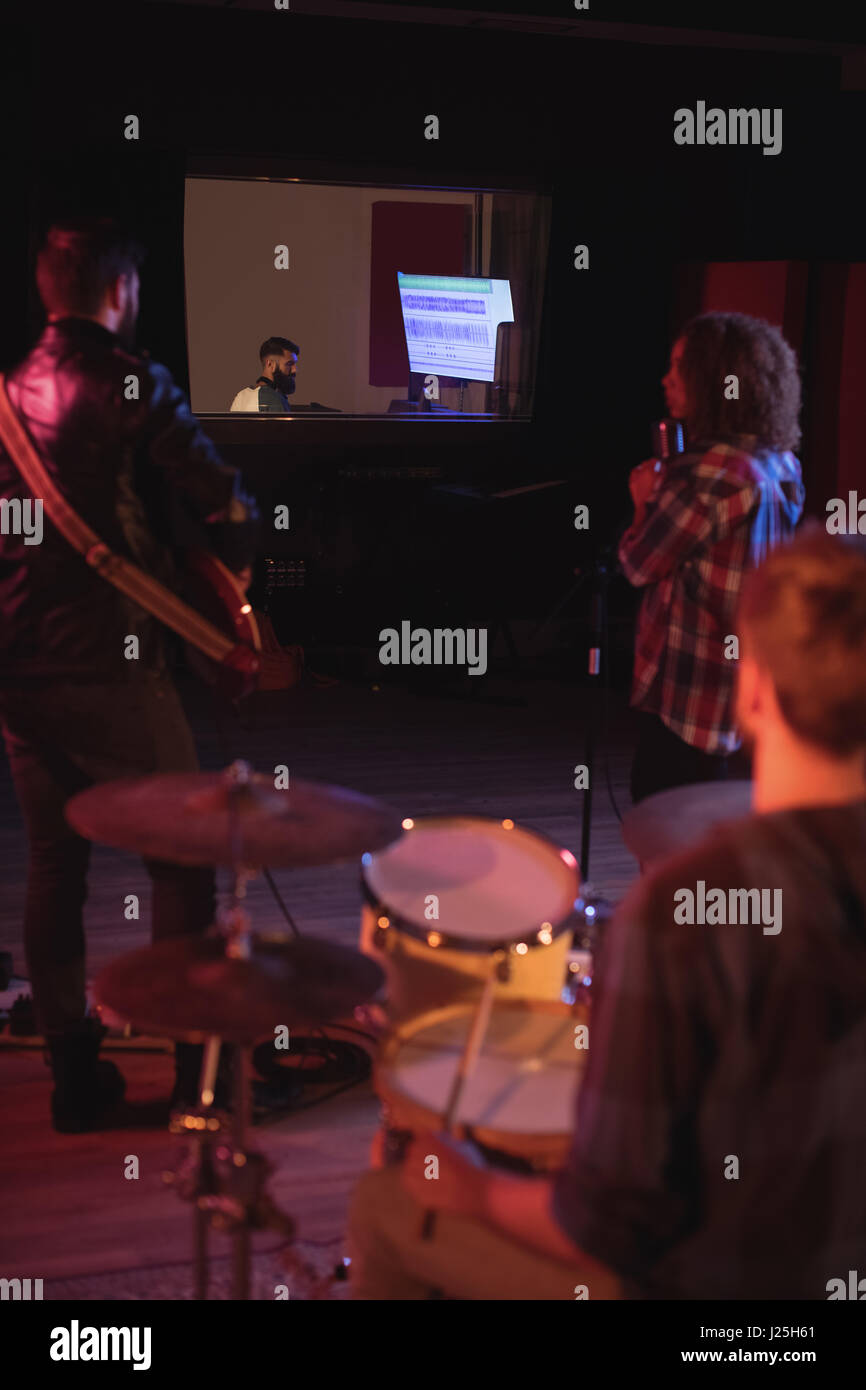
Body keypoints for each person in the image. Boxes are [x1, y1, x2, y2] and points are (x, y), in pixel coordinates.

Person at [348, 525, 866, 1299]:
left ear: (752, 694)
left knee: (386, 1206)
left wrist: (474, 1189)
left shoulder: (687, 916)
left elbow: (608, 1230)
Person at [0, 217, 259, 1132]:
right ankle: (195, 1075)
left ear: (47, 291)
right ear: (119, 293)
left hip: (19, 670)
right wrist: (235, 565)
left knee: (52, 865)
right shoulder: (130, 380)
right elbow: (218, 493)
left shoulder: (2, 393)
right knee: (183, 858)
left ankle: (75, 1077)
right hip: (112, 663)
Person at [620, 312, 805, 805]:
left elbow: (638, 564)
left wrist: (643, 500)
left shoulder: (707, 472)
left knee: (665, 826)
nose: (667, 379)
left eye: (681, 367)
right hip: (749, 696)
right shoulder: (780, 462)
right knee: (722, 835)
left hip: (692, 696)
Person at [230, 337, 299, 413]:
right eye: (289, 364)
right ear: (270, 364)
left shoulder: (240, 396)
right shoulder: (274, 399)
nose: (294, 369)